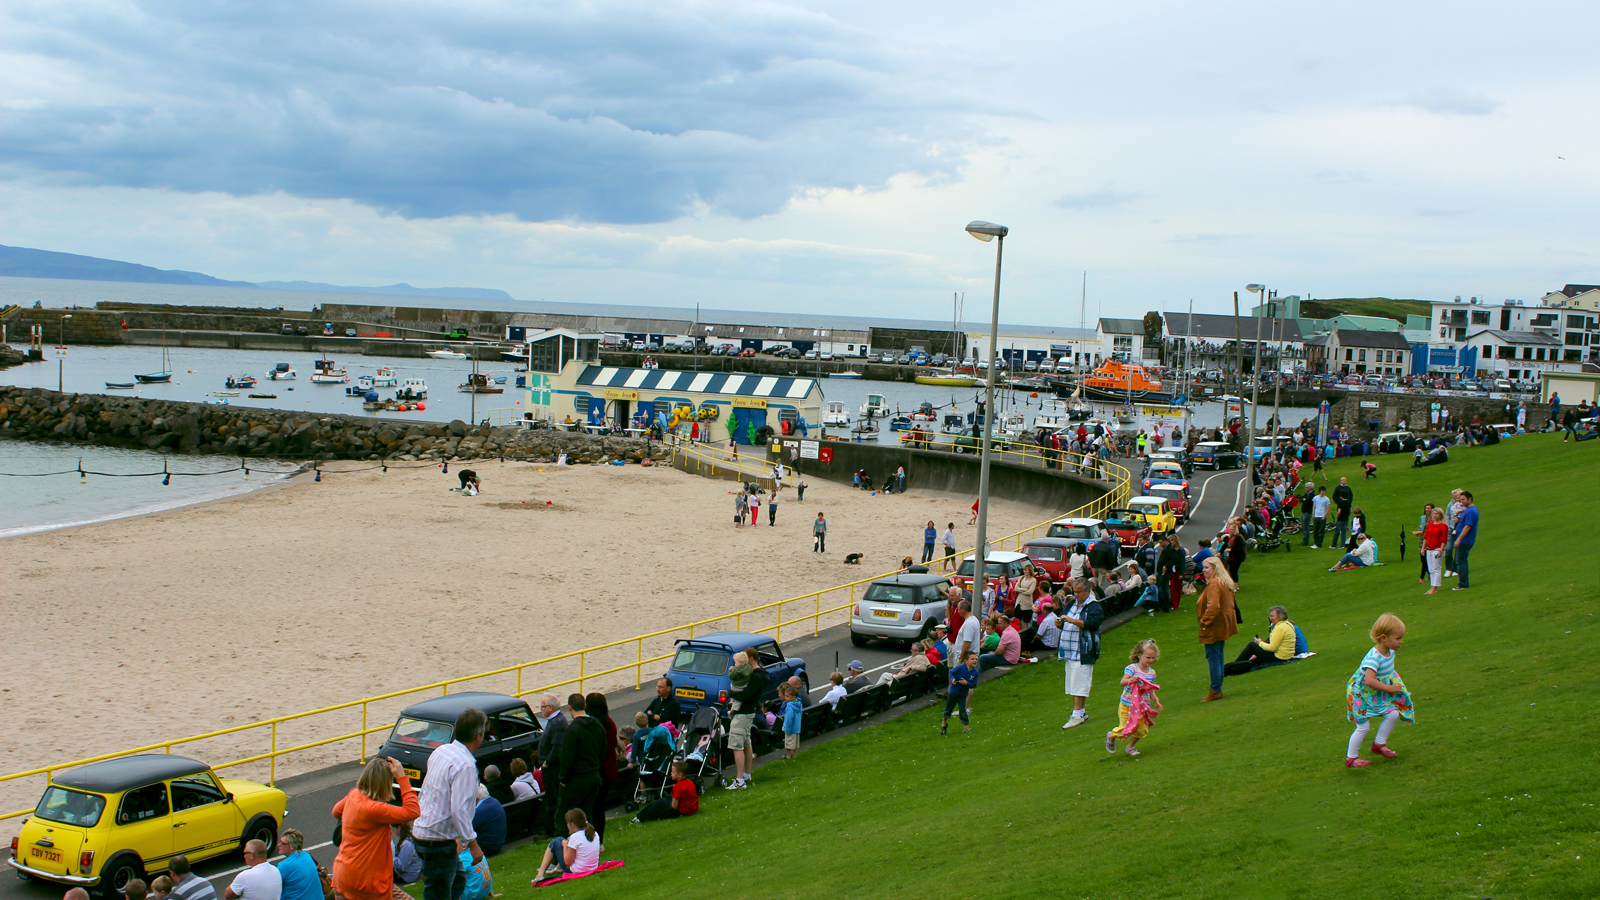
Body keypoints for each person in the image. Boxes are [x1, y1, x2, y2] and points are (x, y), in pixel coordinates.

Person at [412, 708, 485, 900]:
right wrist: (473, 843)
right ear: (478, 735)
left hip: (423, 831)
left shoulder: (441, 751)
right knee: (438, 893)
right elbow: (459, 809)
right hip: (436, 840)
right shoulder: (466, 765)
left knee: (458, 879)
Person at [332, 757, 420, 900]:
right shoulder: (375, 809)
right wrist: (402, 778)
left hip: (344, 873)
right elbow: (413, 811)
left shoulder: (354, 794)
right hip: (368, 880)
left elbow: (336, 811)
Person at [1344, 614, 1415, 768]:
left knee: (1393, 713)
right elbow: (1369, 680)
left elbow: (1387, 671)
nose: (1401, 641)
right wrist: (1389, 688)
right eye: (1398, 638)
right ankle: (1351, 759)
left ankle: (1379, 745)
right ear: (1384, 638)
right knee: (1363, 726)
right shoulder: (1374, 658)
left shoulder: (1390, 651)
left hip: (1376, 694)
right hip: (1361, 694)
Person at [1058, 578, 1104, 729]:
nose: (1075, 594)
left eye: (1078, 592)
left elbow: (1093, 624)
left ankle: (1076, 714)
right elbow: (1063, 616)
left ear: (1087, 591)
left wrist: (1071, 620)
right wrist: (1059, 622)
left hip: (1083, 650)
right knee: (1073, 682)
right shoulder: (1072, 603)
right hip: (1069, 650)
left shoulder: (1094, 606)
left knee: (1080, 682)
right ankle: (1081, 713)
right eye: (1074, 592)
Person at [559, 693, 608, 838]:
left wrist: (563, 778)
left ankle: (560, 853)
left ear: (569, 708)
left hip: (577, 780)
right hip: (593, 776)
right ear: (585, 706)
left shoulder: (572, 729)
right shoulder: (598, 725)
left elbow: (567, 757)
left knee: (564, 816)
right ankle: (590, 845)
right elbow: (603, 751)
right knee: (587, 814)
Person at [1105, 639, 1162, 757]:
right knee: (1126, 728)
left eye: (1153, 658)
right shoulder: (1132, 668)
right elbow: (1122, 682)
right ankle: (1111, 736)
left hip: (1142, 706)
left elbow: (1149, 689)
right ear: (1139, 655)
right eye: (1148, 657)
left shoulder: (1151, 673)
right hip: (1127, 704)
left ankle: (1130, 747)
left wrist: (1156, 700)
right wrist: (1131, 679)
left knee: (1142, 730)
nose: (1151, 660)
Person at [1196, 556, 1238, 702]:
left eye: (1207, 567)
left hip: (1214, 624)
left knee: (1213, 656)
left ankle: (1215, 689)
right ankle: (1217, 687)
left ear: (1215, 569)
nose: (1204, 570)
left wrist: (1204, 622)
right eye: (1204, 567)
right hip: (1223, 623)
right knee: (1218, 655)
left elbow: (1213, 607)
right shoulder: (1224, 582)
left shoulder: (1214, 583)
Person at [726, 651, 768, 789]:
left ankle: (739, 780)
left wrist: (731, 693)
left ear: (750, 659)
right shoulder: (760, 674)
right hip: (749, 712)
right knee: (746, 742)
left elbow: (746, 695)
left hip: (743, 713)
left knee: (736, 745)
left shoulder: (755, 676)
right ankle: (746, 774)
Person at [531, 809, 603, 884]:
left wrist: (565, 845)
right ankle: (558, 868)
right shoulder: (594, 834)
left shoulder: (575, 837)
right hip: (592, 867)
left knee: (555, 842)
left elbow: (568, 862)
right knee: (560, 839)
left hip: (578, 870)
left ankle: (540, 874)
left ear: (572, 825)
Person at [584, 692, 620, 841]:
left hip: (601, 771)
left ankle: (595, 839)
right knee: (598, 807)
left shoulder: (596, 727)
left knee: (594, 808)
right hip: (609, 769)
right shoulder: (609, 722)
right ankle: (598, 840)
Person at [1223, 606, 1295, 676]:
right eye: (1270, 616)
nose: (1270, 619)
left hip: (1279, 657)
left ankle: (1235, 665)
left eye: (1273, 616)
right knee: (1255, 655)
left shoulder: (1280, 628)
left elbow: (1272, 648)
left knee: (1252, 646)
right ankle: (1235, 665)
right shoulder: (1288, 624)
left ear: (1280, 616)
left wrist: (1259, 643)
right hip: (1287, 656)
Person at [534, 695, 567, 837]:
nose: (541, 710)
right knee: (552, 797)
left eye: (542, 707)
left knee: (552, 798)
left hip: (552, 768)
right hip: (551, 766)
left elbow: (558, 748)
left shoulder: (557, 723)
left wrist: (546, 763)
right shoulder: (556, 721)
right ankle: (550, 828)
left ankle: (551, 829)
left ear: (550, 708)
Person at [630, 760, 700, 823]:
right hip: (692, 809)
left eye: (673, 772)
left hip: (682, 812)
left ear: (680, 775)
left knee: (660, 803)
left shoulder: (677, 786)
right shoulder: (690, 782)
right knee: (668, 797)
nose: (671, 773)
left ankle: (641, 816)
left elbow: (674, 807)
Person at [273, 831, 320, 900]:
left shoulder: (285, 866)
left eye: (282, 843)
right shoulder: (306, 855)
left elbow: (271, 886)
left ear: (292, 847)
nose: (278, 845)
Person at [941, 650, 978, 735]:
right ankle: (944, 723)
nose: (975, 661)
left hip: (963, 694)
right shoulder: (959, 668)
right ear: (966, 661)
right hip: (954, 692)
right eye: (972, 659)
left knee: (963, 710)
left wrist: (967, 683)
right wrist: (953, 679)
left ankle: (966, 727)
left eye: (976, 659)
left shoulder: (975, 672)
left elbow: (974, 684)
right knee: (948, 708)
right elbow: (951, 672)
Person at [470, 783, 505, 857]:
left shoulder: (479, 811)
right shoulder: (495, 802)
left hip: (486, 847)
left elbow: (468, 830)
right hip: (497, 843)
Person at [1451, 490, 1477, 591]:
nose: (1461, 502)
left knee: (1461, 561)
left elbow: (1467, 526)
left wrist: (1458, 540)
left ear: (1470, 499)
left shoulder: (1471, 511)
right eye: (1461, 499)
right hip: (1464, 540)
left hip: (1464, 541)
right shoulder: (1468, 510)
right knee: (1461, 561)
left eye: (1463, 499)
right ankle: (1463, 583)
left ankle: (1463, 584)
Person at [1422, 508, 1449, 595]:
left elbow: (1444, 539)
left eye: (1437, 514)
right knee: (1430, 568)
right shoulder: (1430, 524)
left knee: (1436, 567)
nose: (1435, 515)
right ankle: (1432, 585)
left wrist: (1441, 550)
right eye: (1434, 513)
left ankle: (1434, 586)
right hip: (1429, 548)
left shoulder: (1443, 526)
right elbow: (1426, 536)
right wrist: (1423, 548)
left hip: (1437, 548)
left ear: (1440, 515)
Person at [778, 682, 803, 758]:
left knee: (788, 742)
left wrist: (787, 728)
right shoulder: (799, 704)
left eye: (787, 696)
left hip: (790, 728)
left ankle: (788, 755)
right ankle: (794, 754)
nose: (786, 698)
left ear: (793, 697)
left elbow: (789, 718)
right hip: (797, 727)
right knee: (795, 743)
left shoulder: (789, 706)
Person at [1331, 477, 1354, 548]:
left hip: (1342, 515)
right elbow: (1334, 496)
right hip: (1344, 508)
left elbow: (1351, 496)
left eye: (1345, 480)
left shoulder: (1348, 488)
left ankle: (1334, 545)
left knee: (1338, 530)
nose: (1344, 481)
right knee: (1343, 530)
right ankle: (1342, 544)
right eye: (1342, 480)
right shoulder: (1337, 488)